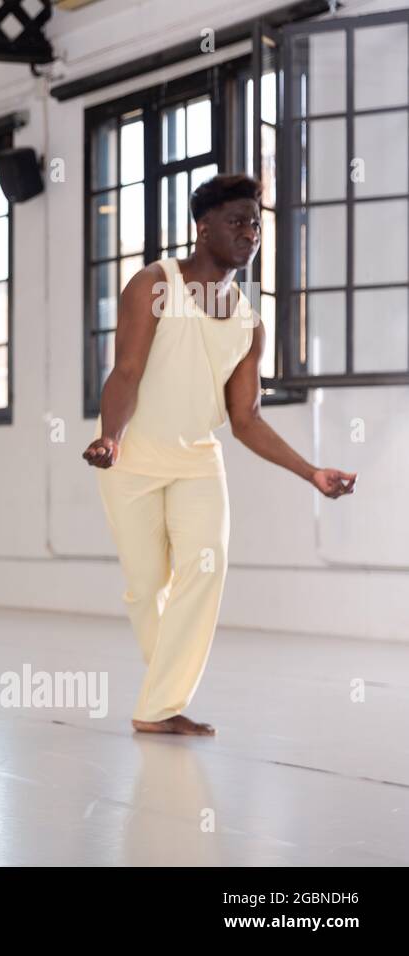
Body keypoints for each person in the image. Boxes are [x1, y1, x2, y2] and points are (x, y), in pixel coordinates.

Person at [82, 173, 356, 736]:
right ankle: (162, 698)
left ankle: (159, 707)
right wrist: (111, 436)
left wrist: (312, 472)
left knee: (205, 570)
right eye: (237, 221)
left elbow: (245, 419)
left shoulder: (250, 323)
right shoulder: (154, 284)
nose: (250, 232)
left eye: (256, 223)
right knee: (146, 582)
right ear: (202, 227)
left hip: (198, 460)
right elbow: (126, 371)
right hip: (131, 452)